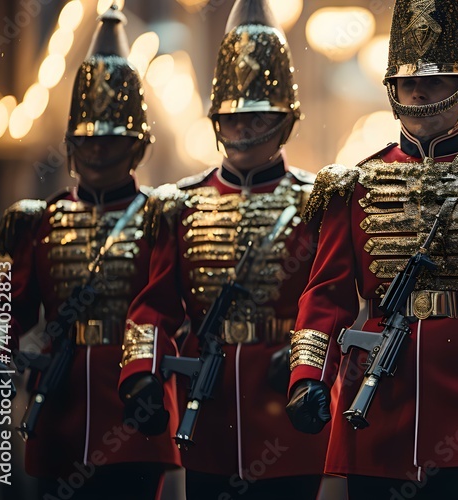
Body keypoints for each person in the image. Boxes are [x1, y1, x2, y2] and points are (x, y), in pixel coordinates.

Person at [285, 0, 458, 498]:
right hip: (377, 399)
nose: (418, 90)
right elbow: (325, 297)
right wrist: (309, 374)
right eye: (407, 82)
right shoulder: (352, 185)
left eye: (435, 81)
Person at [117, 0, 327, 497]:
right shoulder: (180, 204)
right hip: (208, 406)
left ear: (284, 120)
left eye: (258, 116)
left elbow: (334, 299)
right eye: (232, 117)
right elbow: (154, 307)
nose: (243, 128)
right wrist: (140, 376)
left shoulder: (318, 200)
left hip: (285, 404)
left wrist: (310, 368)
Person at [0, 5, 178, 498]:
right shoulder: (40, 222)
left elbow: (164, 308)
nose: (97, 151)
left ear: (134, 145)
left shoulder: (159, 218)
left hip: (133, 411)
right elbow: (10, 307)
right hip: (60, 411)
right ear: (71, 143)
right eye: (87, 140)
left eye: (111, 141)